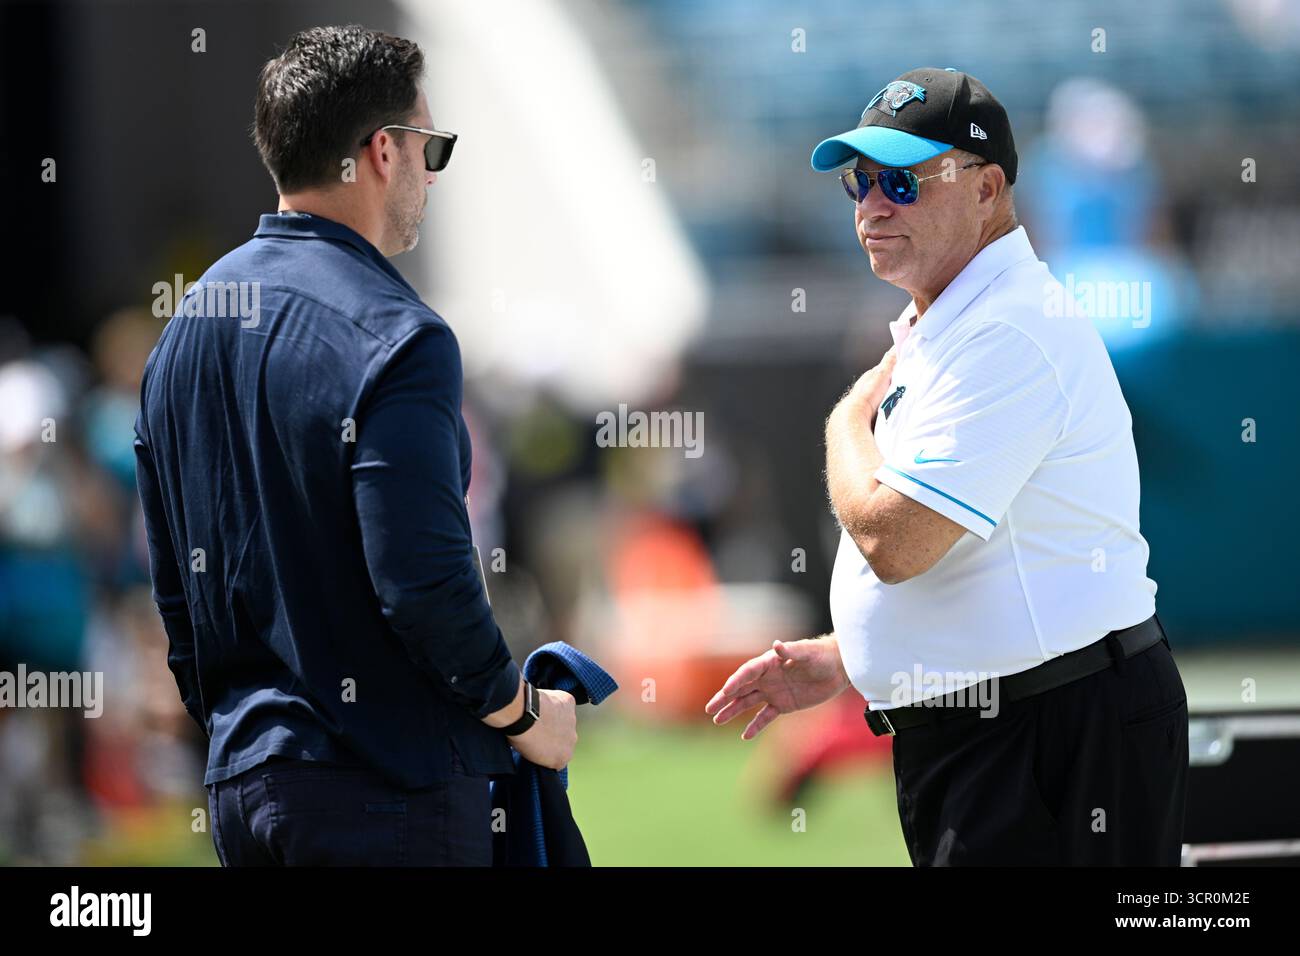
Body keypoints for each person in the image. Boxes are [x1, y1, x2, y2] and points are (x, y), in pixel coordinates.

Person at [706, 68, 1188, 866]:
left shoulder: (1008, 330)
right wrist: (850, 658)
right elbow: (980, 553)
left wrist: (843, 421)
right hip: (1011, 724)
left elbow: (896, 542)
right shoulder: (958, 319)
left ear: (987, 188)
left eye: (901, 180)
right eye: (859, 182)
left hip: (1051, 730)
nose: (870, 205)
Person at [133, 24, 576, 866]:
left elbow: (175, 598)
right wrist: (522, 714)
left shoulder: (179, 335)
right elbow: (421, 582)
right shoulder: (399, 334)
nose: (432, 174)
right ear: (383, 151)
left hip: (244, 786)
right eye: (431, 147)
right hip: (386, 789)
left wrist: (235, 728)